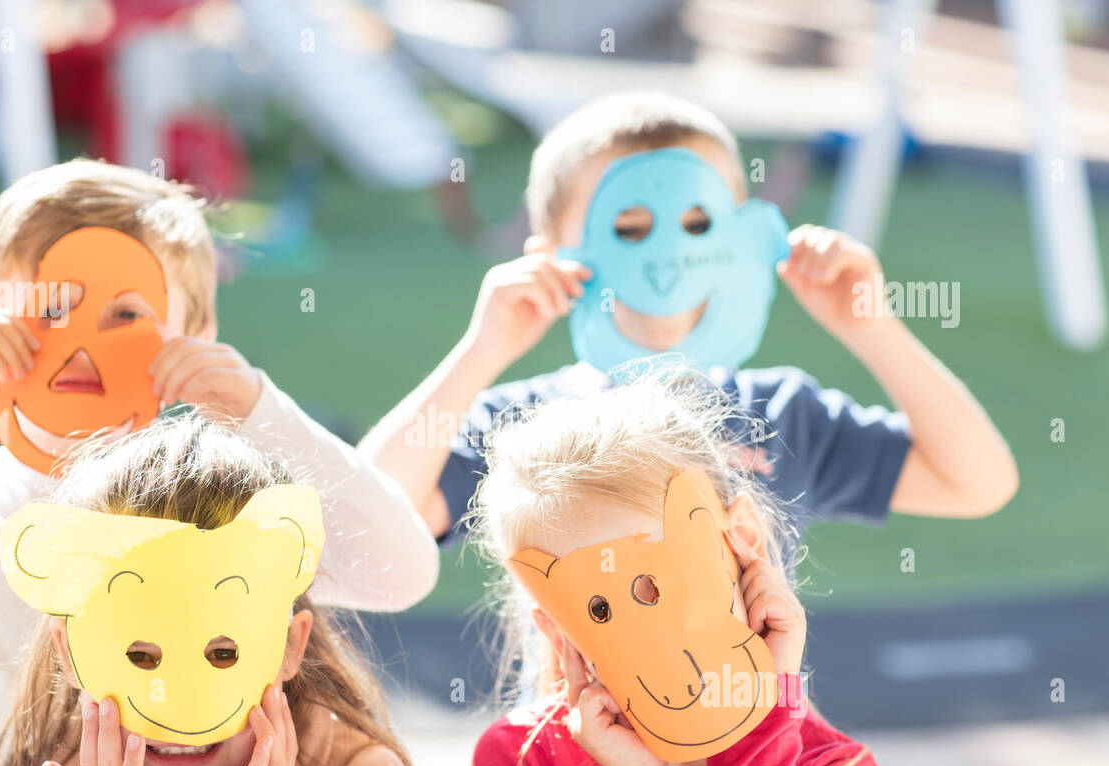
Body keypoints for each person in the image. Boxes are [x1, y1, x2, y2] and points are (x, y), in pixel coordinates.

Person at [0, 159, 438, 766]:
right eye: (49, 308)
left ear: (193, 329)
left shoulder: (217, 514)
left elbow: (400, 572)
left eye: (126, 313)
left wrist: (260, 410)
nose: (82, 341)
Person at [360, 91, 1017, 546]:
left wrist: (873, 327)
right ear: (551, 253)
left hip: (753, 747)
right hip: (578, 744)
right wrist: (480, 353)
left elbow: (976, 483)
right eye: (629, 226)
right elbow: (375, 515)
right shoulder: (523, 427)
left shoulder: (785, 414)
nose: (667, 254)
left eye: (697, 223)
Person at [0, 413, 416, 766]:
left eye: (222, 653)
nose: (179, 699)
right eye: (140, 655)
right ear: (69, 653)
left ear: (289, 647)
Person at [469, 375, 880, 766]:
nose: (655, 633)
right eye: (599, 611)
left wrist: (759, 712)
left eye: (654, 586)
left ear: (741, 537)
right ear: (560, 632)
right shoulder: (520, 765)